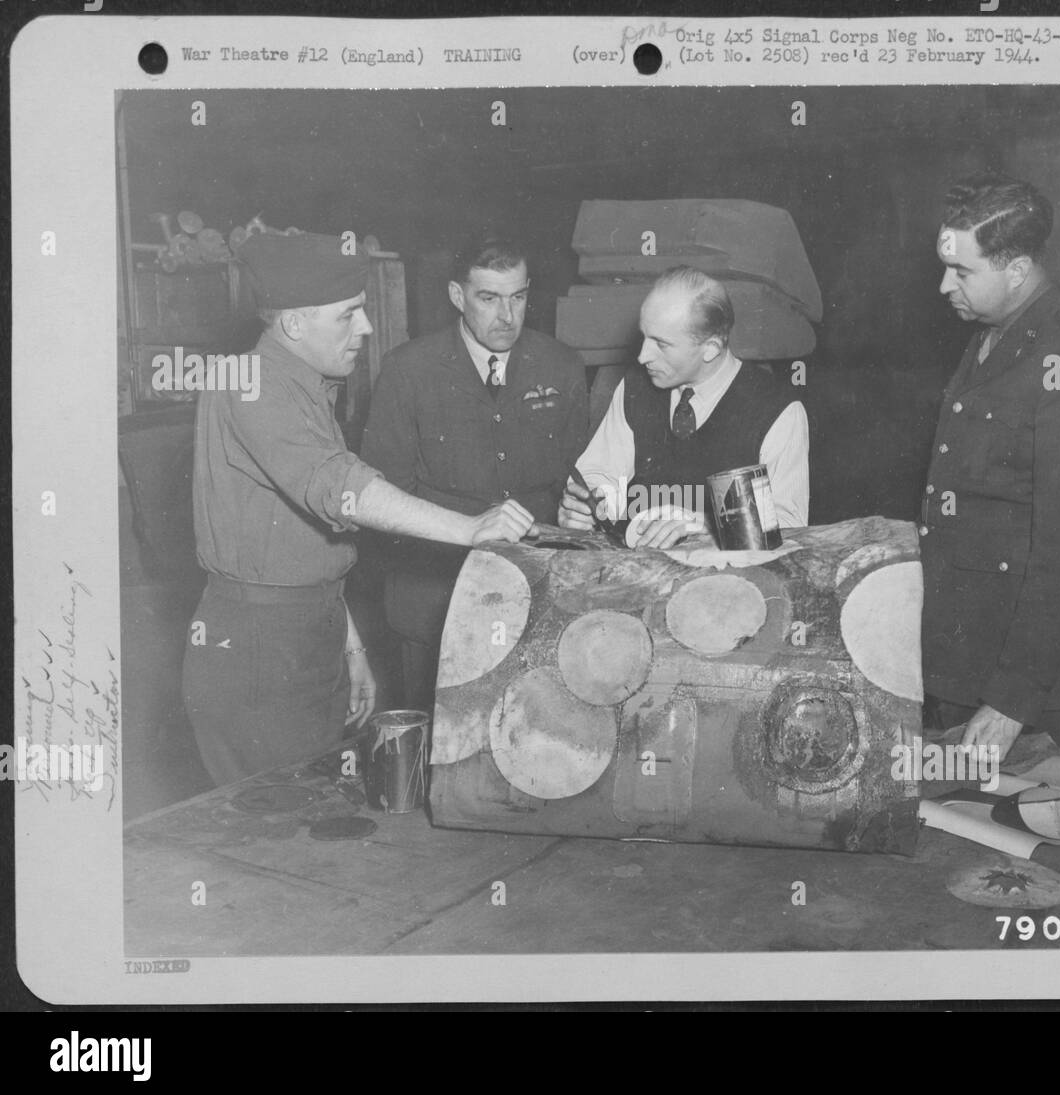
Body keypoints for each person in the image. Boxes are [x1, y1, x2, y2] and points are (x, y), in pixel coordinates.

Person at [183, 231, 535, 786]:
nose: (367, 328)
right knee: (280, 825)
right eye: (349, 315)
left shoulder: (301, 383)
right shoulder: (252, 385)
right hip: (260, 646)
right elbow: (338, 485)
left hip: (306, 628)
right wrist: (468, 529)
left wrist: (348, 646)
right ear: (295, 324)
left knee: (316, 806)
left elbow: (308, 543)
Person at [922, 173, 1060, 759]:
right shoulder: (994, 333)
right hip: (963, 662)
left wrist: (1011, 700)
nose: (944, 285)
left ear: (1016, 270)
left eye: (962, 272)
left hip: (1022, 697)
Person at [361, 236, 588, 705]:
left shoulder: (561, 365)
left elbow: (578, 480)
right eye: (489, 298)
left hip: (538, 601)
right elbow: (383, 499)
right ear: (457, 296)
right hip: (436, 604)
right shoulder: (408, 371)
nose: (507, 317)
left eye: (518, 297)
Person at [559, 265, 809, 548]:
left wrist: (705, 525)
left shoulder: (778, 410)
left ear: (711, 348)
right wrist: (587, 504)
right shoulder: (634, 387)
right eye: (644, 336)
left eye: (661, 344)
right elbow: (601, 473)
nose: (642, 356)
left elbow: (791, 524)